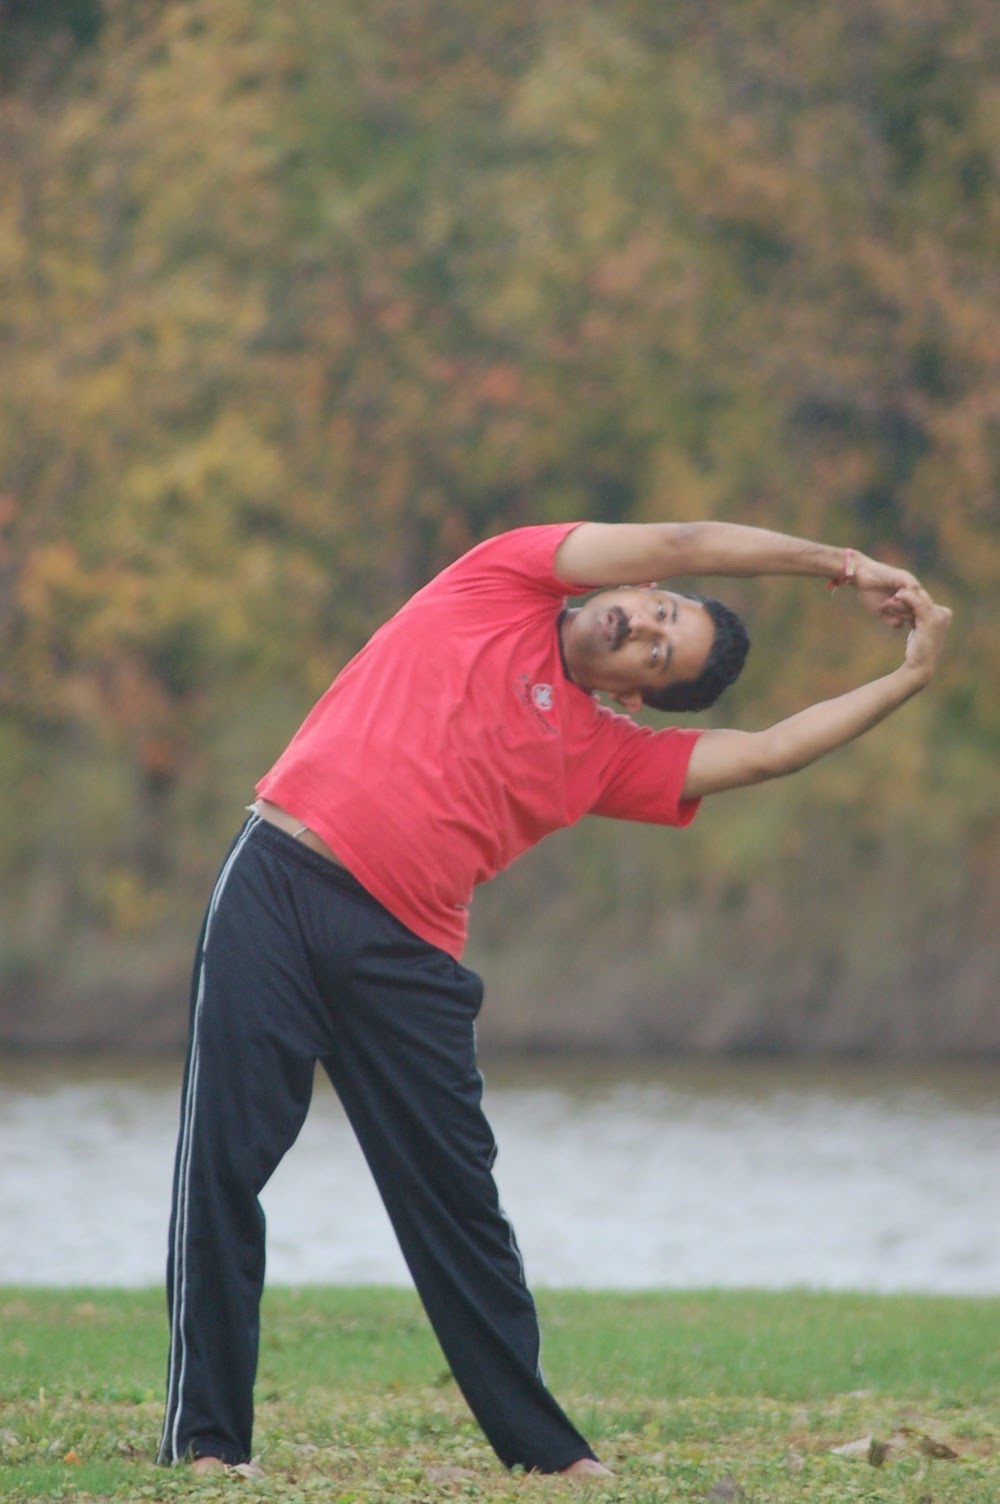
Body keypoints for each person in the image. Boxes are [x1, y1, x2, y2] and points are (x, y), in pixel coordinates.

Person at [157, 518, 951, 1479]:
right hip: (278, 882)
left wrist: (905, 679)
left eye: (661, 652)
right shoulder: (502, 582)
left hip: (409, 958)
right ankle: (207, 1447)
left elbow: (770, 751)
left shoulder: (605, 752)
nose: (643, 628)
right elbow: (687, 537)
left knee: (460, 1209)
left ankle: (546, 1456)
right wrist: (841, 564)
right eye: (658, 610)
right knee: (223, 1163)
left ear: (636, 694)